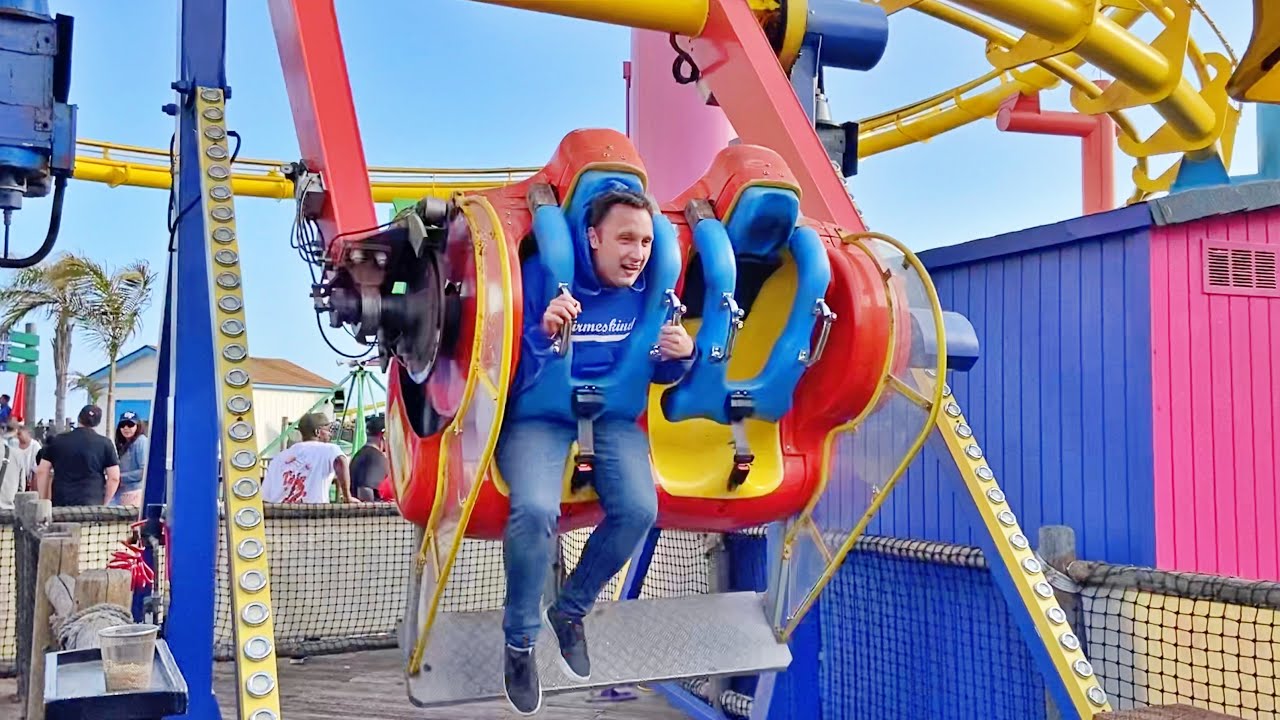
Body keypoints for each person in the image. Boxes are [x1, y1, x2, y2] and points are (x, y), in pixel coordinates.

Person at [497, 186, 695, 714]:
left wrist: (683, 356)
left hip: (611, 419)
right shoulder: (542, 277)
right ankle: (519, 643)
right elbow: (498, 356)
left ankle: (570, 610)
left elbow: (661, 367)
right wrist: (541, 331)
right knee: (535, 509)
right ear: (592, 237)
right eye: (625, 239)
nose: (637, 253)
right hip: (541, 414)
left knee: (639, 510)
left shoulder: (650, 294)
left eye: (647, 242)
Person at [34, 405, 120, 507]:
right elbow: (114, 477)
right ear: (97, 422)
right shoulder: (105, 444)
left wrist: (44, 500)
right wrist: (104, 502)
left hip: (62, 502)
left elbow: (42, 470)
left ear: (79, 418)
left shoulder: (57, 440)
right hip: (92, 502)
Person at [262, 412, 354, 504]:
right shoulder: (329, 449)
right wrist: (347, 496)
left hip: (279, 514)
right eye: (328, 429)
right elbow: (341, 461)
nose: (330, 434)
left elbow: (265, 497)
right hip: (312, 513)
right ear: (317, 432)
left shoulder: (279, 457)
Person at [110, 411, 149, 506]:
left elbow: (143, 471)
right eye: (122, 425)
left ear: (137, 426)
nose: (126, 428)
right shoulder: (122, 444)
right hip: (121, 493)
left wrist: (119, 477)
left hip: (134, 493)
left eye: (130, 425)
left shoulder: (141, 442)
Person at [349, 414, 388, 502]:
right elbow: (364, 489)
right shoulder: (375, 458)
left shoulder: (361, 454)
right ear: (384, 435)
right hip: (371, 514)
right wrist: (374, 512)